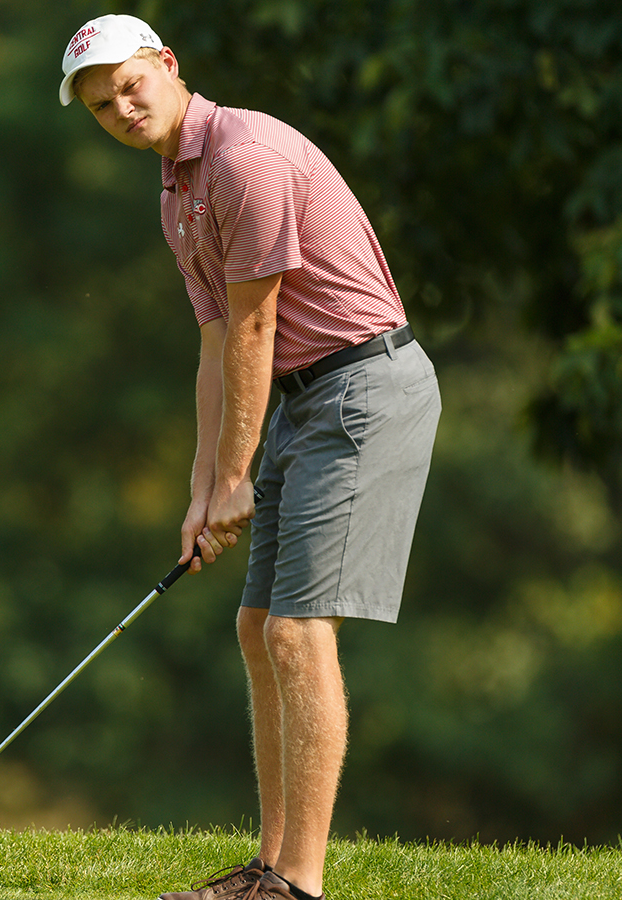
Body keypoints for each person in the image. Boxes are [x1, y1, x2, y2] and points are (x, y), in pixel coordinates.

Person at [58, 15, 441, 900]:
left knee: (298, 632)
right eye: (99, 104)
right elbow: (215, 345)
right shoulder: (174, 195)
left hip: (362, 389)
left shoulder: (243, 156)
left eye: (129, 85)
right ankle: (268, 867)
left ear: (168, 65)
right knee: (254, 627)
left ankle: (296, 886)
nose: (120, 108)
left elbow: (260, 325)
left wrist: (237, 478)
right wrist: (202, 493)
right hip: (303, 402)